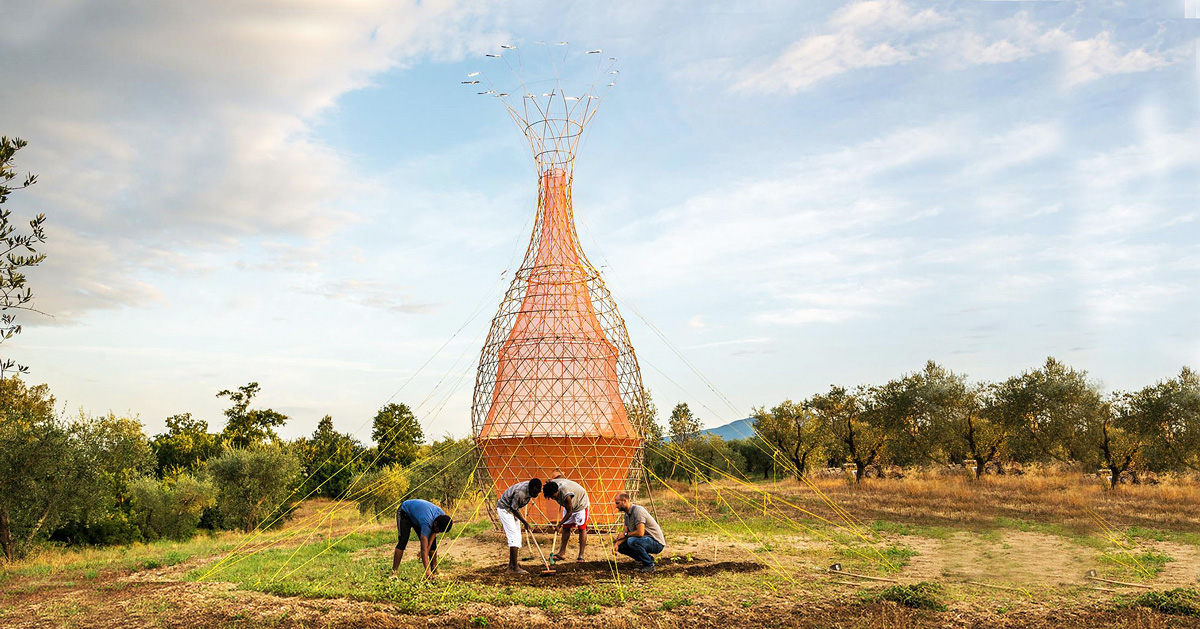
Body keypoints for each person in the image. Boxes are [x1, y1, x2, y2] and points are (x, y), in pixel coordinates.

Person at [393, 498, 452, 578]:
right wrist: (427, 571)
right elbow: (423, 548)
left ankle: (435, 571)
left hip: (418, 515)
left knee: (433, 545)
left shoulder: (442, 517)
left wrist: (427, 550)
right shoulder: (426, 522)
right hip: (405, 512)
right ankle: (394, 573)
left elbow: (433, 534)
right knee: (403, 541)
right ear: (435, 523)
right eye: (438, 530)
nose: (438, 532)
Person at [496, 478, 543, 574]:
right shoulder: (520, 493)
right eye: (535, 492)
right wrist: (525, 522)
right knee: (513, 536)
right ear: (530, 488)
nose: (536, 495)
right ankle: (514, 567)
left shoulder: (529, 489)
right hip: (505, 509)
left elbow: (515, 508)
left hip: (513, 509)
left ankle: (512, 565)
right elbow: (513, 508)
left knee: (517, 537)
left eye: (538, 492)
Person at [612, 492, 665, 573]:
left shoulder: (638, 511)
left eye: (617, 503)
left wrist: (625, 534)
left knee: (632, 541)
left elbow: (640, 533)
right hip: (644, 540)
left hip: (656, 542)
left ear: (624, 501)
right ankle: (647, 559)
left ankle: (649, 565)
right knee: (621, 546)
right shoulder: (626, 515)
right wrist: (616, 544)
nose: (616, 506)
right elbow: (626, 533)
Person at [543, 479, 589, 562]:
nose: (553, 498)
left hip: (581, 504)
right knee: (566, 528)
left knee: (582, 528)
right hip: (568, 506)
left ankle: (581, 555)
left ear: (557, 491)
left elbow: (569, 512)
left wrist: (559, 524)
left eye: (553, 496)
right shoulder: (553, 484)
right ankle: (562, 553)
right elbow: (559, 477)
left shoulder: (566, 495)